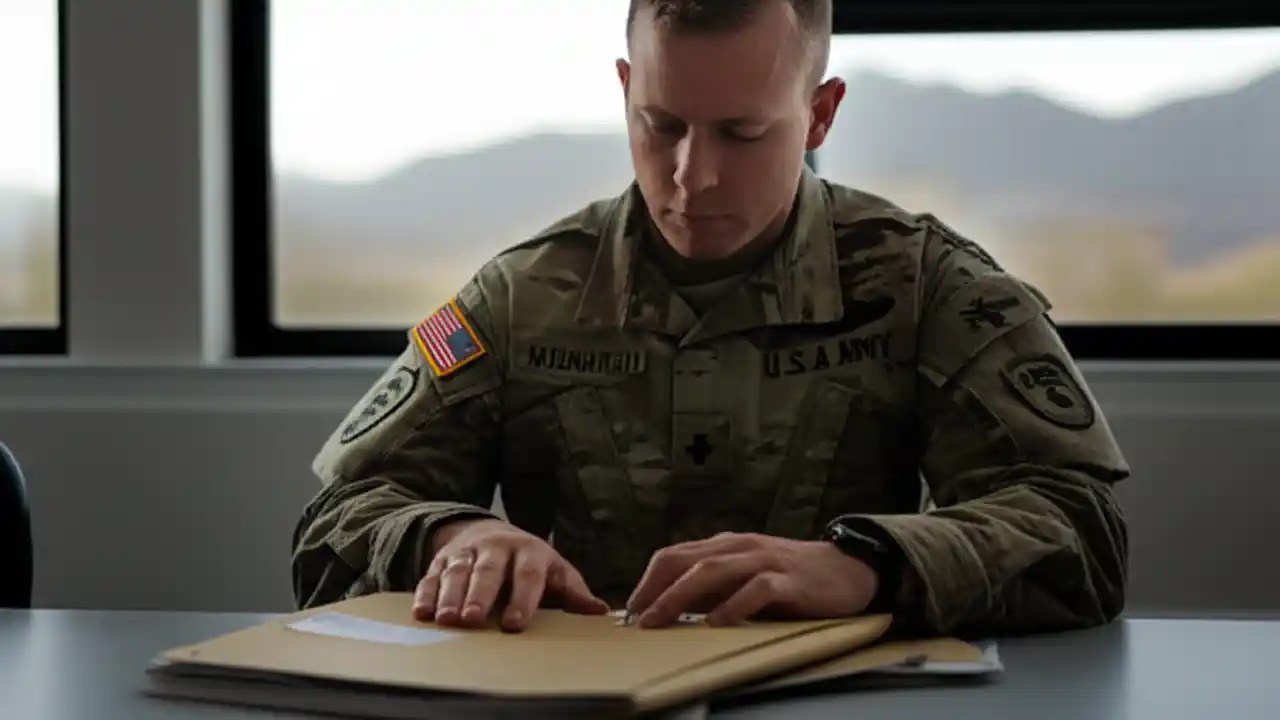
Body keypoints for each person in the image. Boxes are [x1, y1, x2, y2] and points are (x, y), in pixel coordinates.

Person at [291, 0, 1129, 638]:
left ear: (821, 113)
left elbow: (1082, 532)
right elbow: (337, 521)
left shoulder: (926, 285)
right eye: (661, 126)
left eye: (743, 133)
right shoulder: (518, 296)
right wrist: (451, 537)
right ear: (625, 89)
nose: (694, 176)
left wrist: (868, 565)